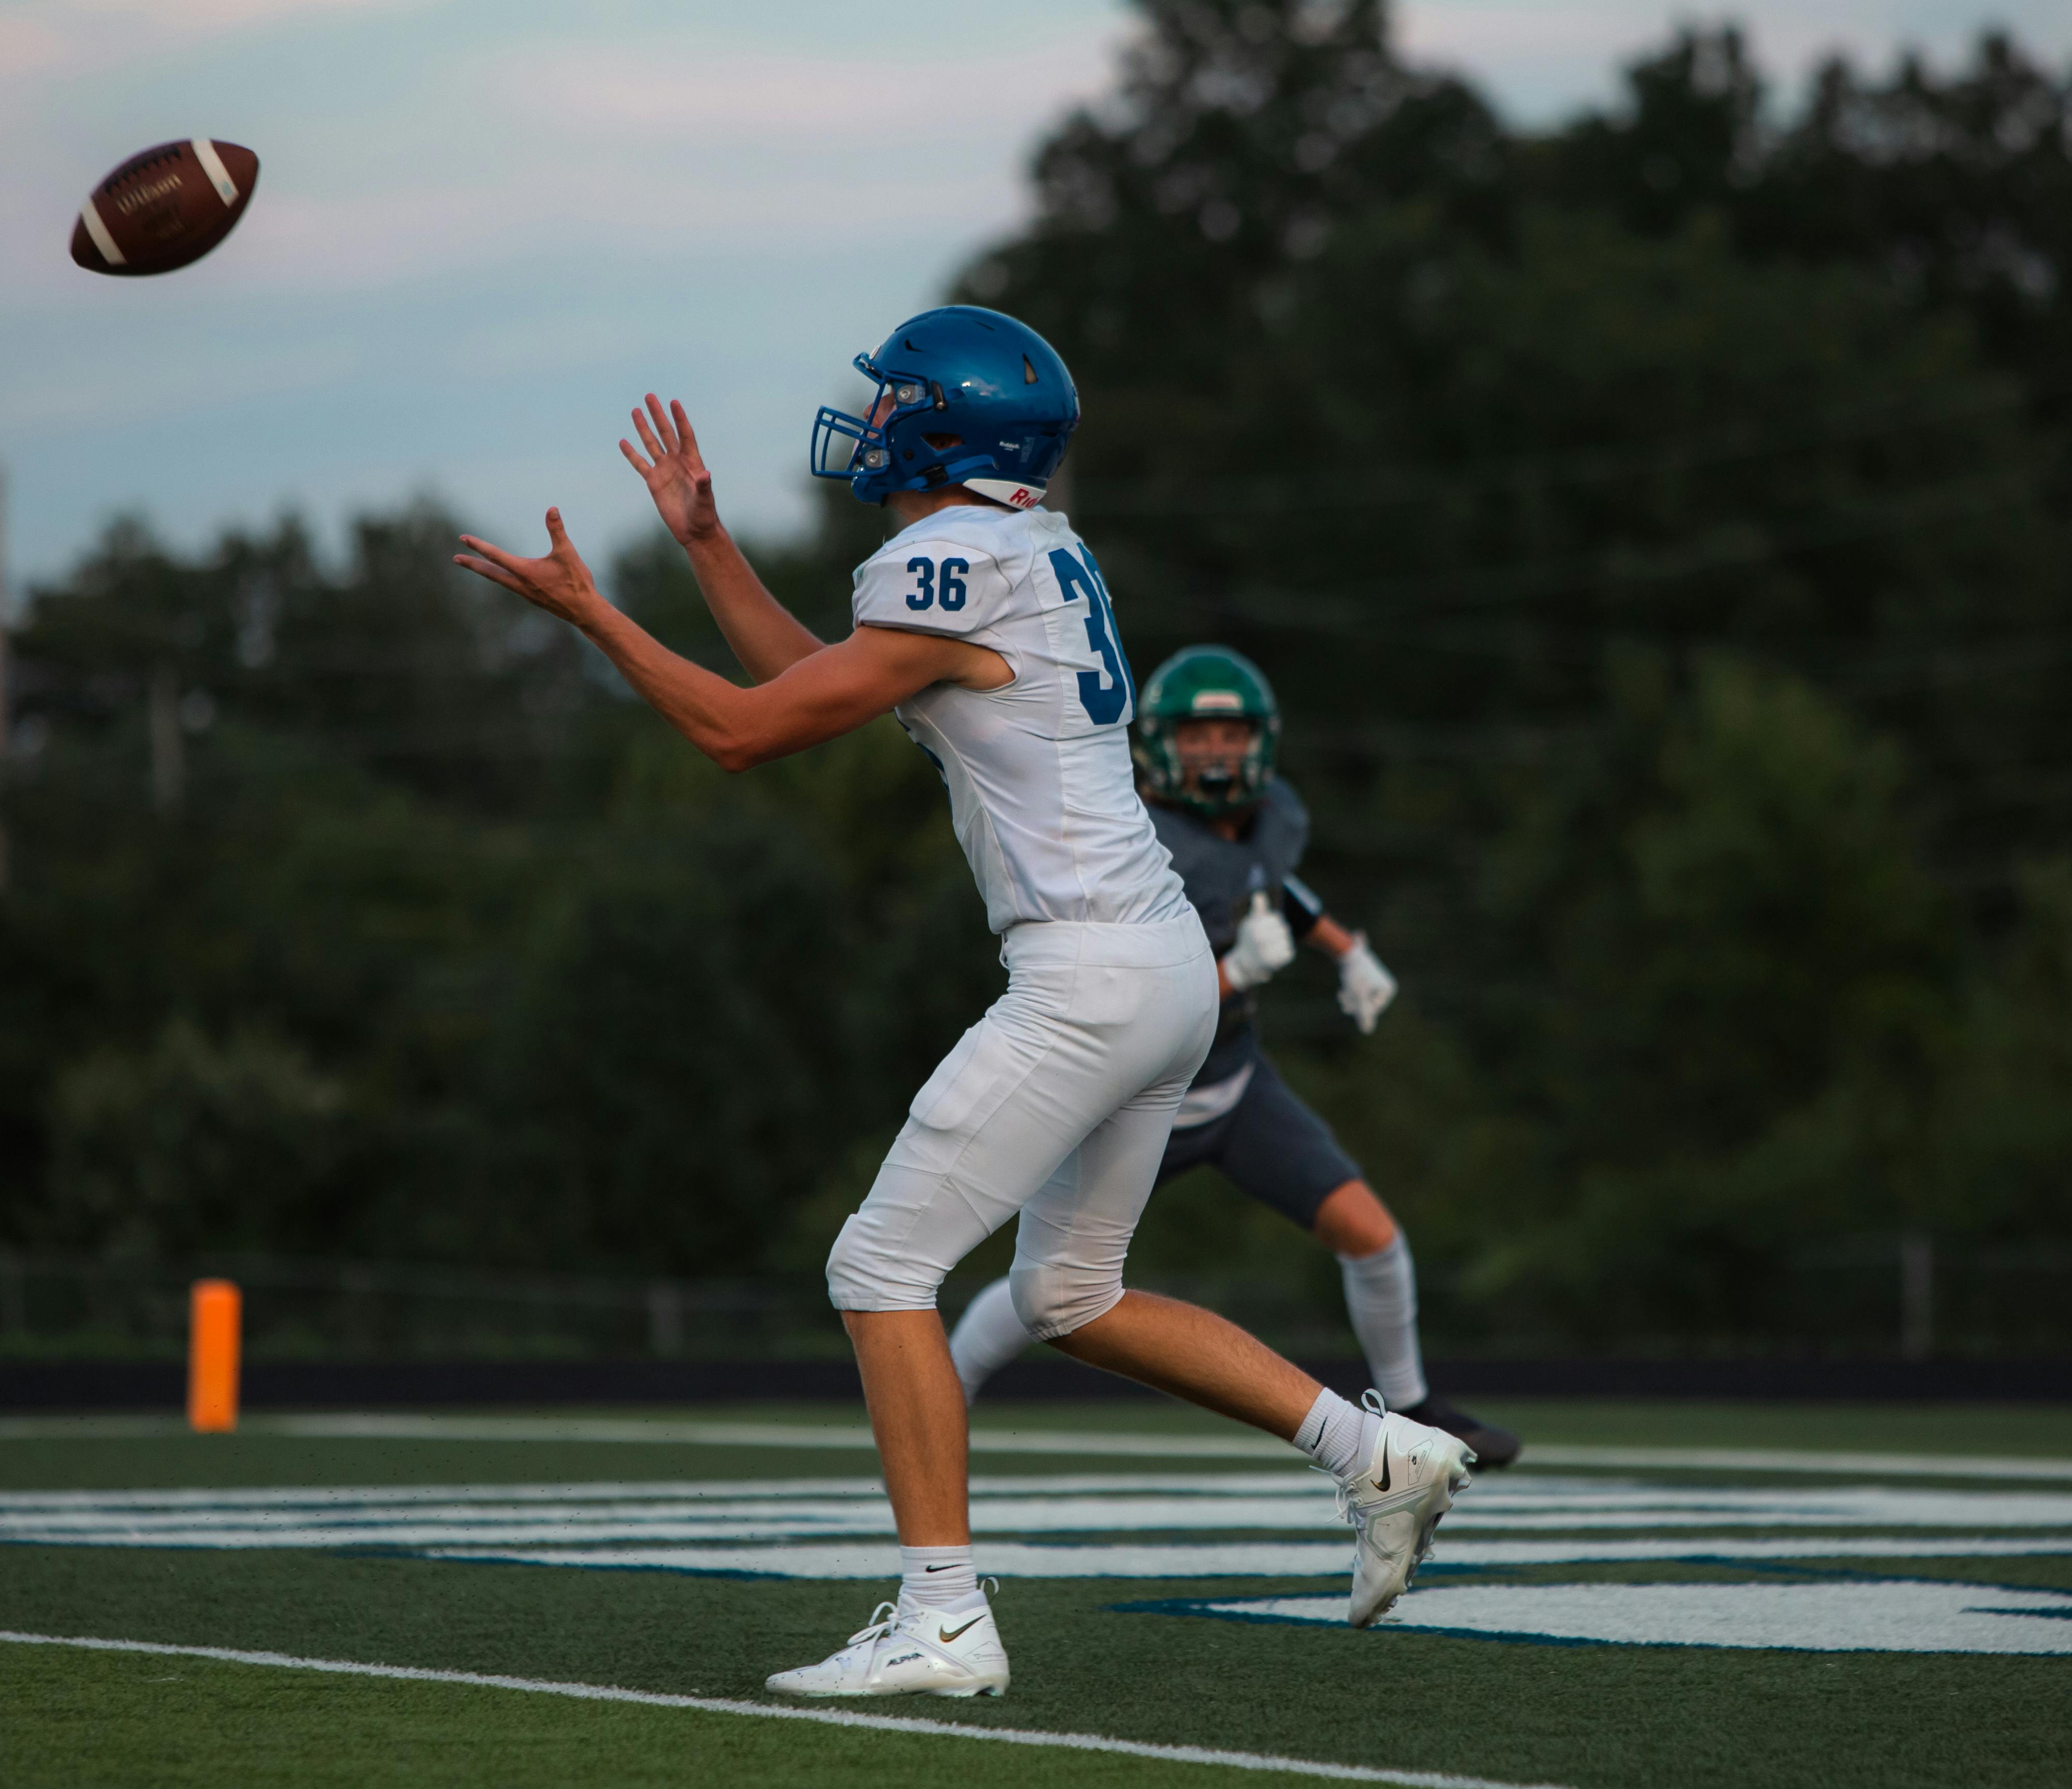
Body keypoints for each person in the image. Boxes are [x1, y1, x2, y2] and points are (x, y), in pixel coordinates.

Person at [452, 307, 1475, 1699]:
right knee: (1067, 1293)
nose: (871, 418)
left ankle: (941, 1614)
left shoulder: (947, 559)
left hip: (1086, 973)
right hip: (1160, 963)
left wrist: (593, 616)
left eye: (895, 400)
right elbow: (814, 684)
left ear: (947, 427)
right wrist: (702, 544)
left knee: (878, 1268)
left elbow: (744, 734)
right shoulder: (1025, 546)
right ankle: (1379, 1453)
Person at [946, 646, 1521, 1469]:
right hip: (1141, 1094)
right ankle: (949, 1388)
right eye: (1197, 734)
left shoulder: (1270, 814)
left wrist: (1345, 948)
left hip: (1238, 1082)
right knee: (1052, 1283)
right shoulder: (1135, 839)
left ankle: (1412, 1409)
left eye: (1230, 732)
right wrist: (1236, 971)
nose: (1216, 751)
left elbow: (1273, 883)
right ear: (1157, 745)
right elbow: (1134, 986)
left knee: (1374, 1236)